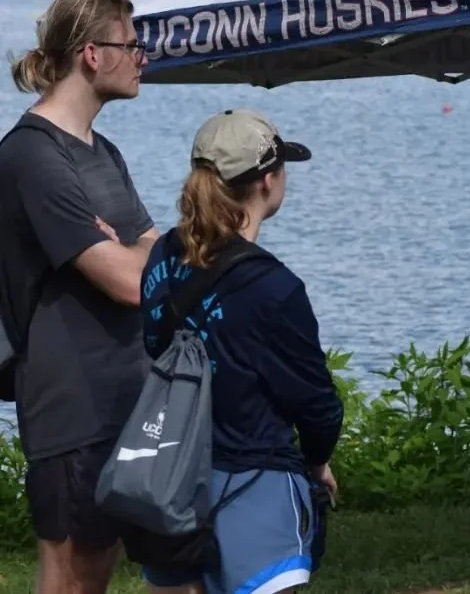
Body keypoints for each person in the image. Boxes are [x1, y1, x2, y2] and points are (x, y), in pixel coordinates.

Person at [134, 108, 343, 594]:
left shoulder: (162, 257)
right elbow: (317, 406)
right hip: (254, 488)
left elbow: (153, 347)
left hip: (171, 483)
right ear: (268, 181)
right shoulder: (275, 289)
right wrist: (318, 463)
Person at [0, 0, 158, 594]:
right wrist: (131, 253)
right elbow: (128, 282)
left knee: (99, 565)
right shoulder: (34, 158)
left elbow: (160, 250)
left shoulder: (102, 152)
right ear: (94, 54)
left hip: (124, 390)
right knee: (70, 576)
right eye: (133, 43)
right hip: (71, 402)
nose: (143, 56)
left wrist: (129, 249)